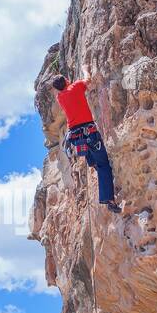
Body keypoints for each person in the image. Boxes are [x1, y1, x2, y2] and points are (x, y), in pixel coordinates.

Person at [52, 74, 121, 212]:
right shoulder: (76, 86)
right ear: (66, 80)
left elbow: (61, 91)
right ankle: (109, 200)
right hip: (89, 132)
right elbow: (88, 80)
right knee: (104, 165)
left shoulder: (60, 98)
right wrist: (84, 69)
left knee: (93, 157)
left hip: (77, 136)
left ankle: (93, 163)